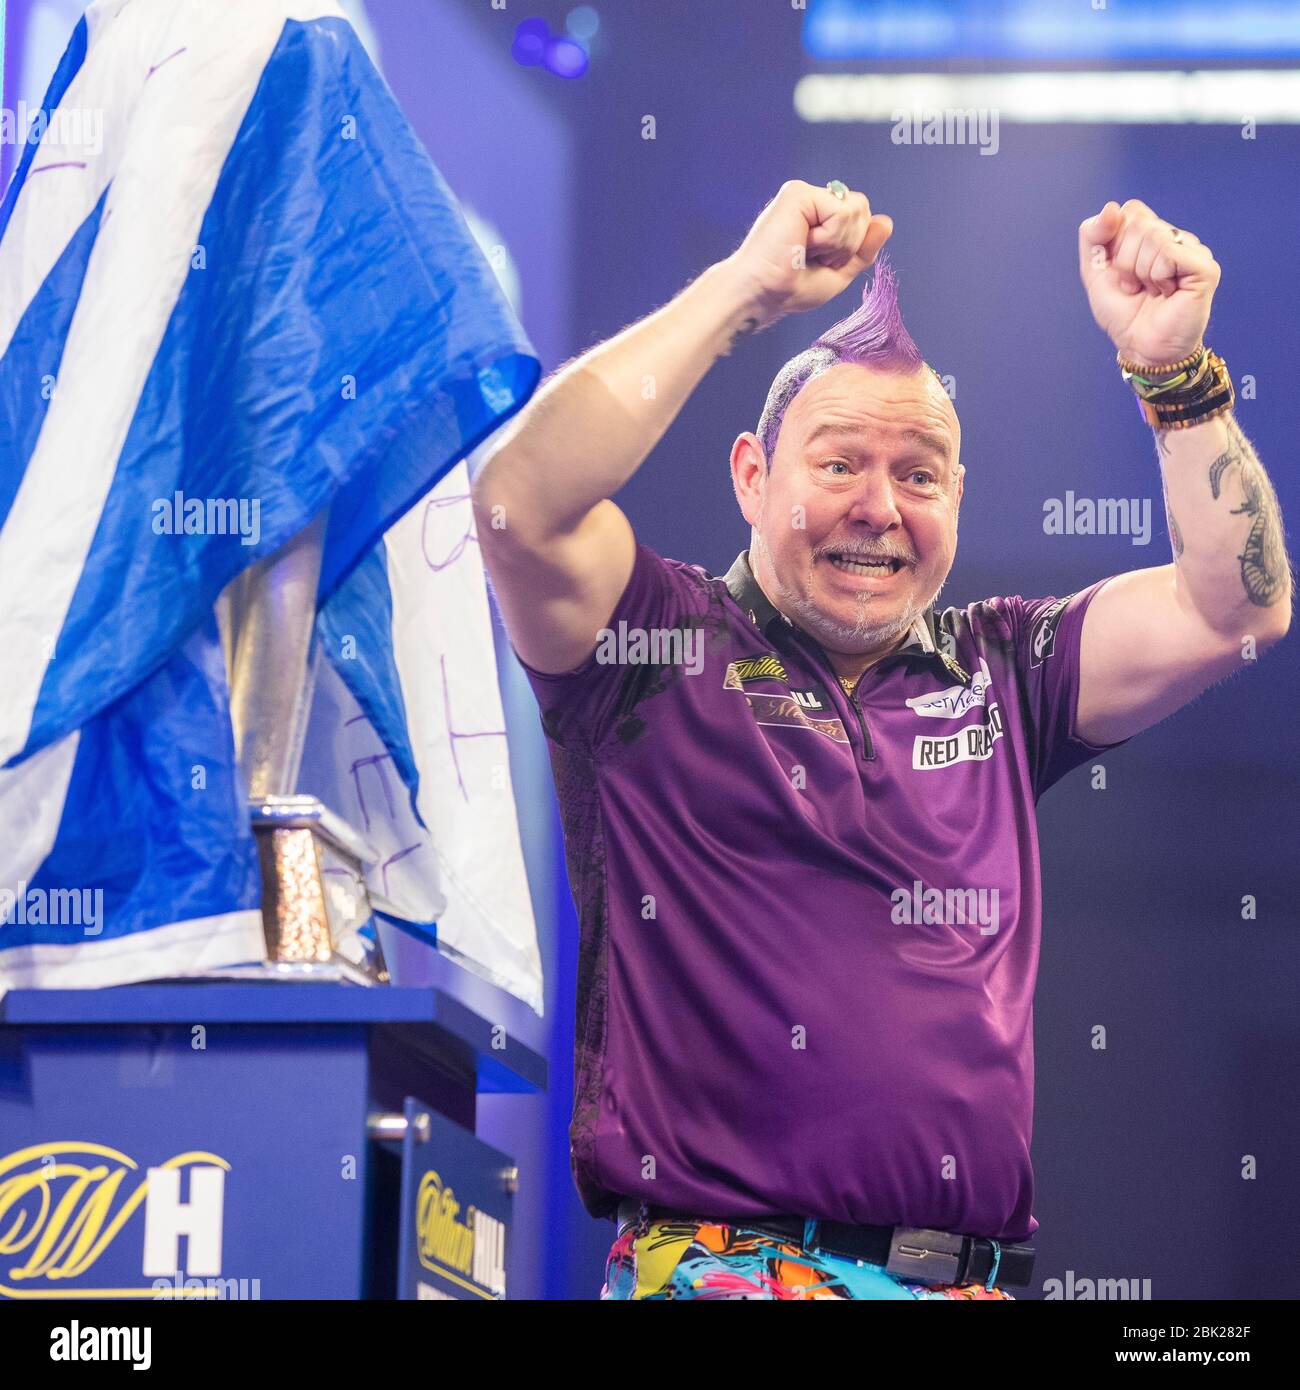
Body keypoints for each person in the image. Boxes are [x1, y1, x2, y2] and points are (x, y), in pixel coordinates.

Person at [471, 180, 1292, 1299]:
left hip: (974, 1282)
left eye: (916, 475)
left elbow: (1232, 607)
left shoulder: (1003, 670)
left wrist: (1173, 374)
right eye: (839, 464)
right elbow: (521, 504)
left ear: (956, 497)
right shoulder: (653, 644)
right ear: (753, 479)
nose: (878, 505)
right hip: (726, 1272)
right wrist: (744, 290)